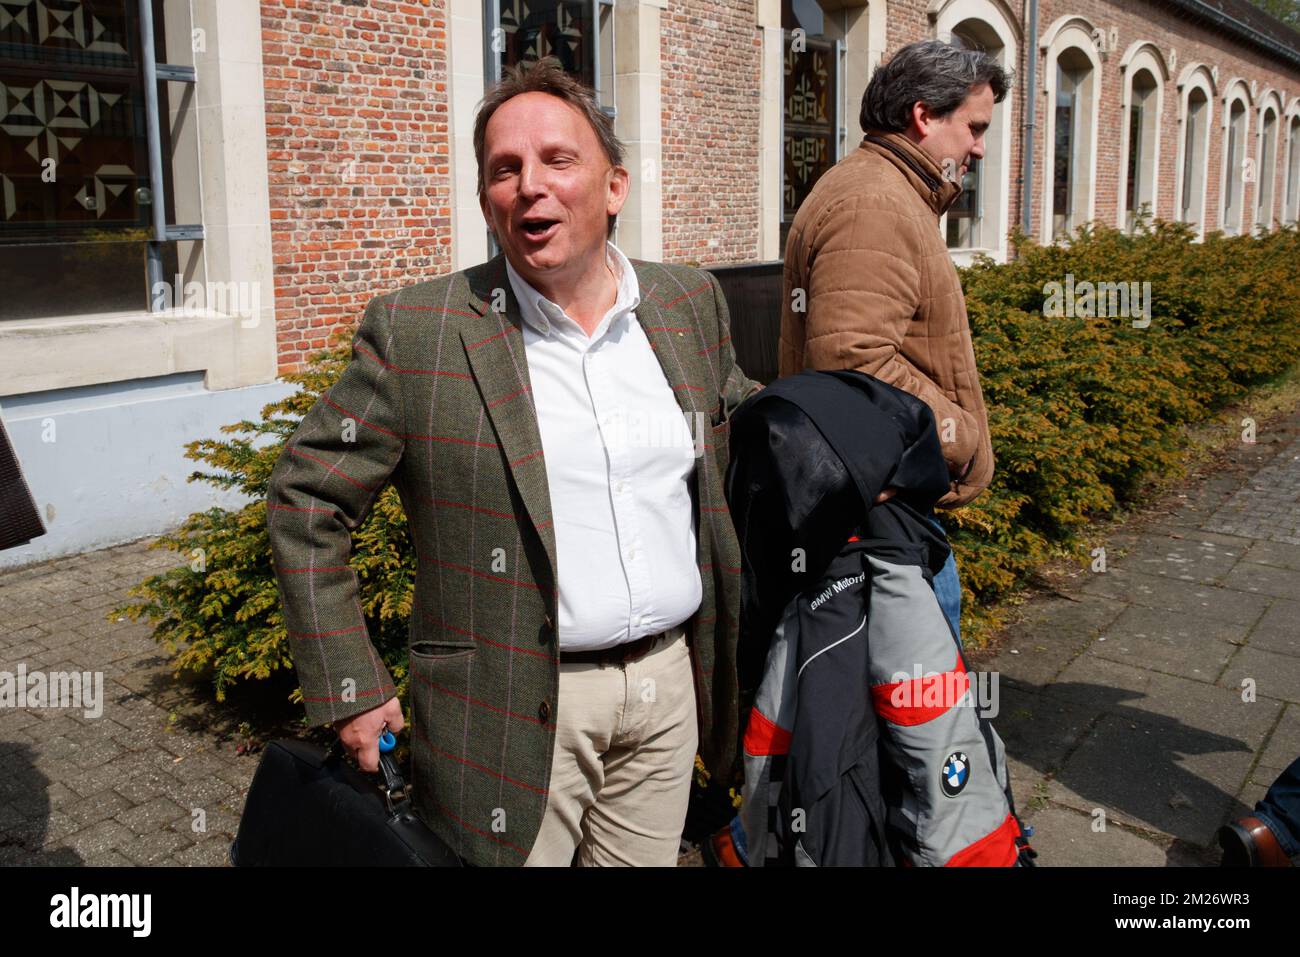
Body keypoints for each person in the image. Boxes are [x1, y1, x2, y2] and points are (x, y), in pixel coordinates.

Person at [265, 57, 759, 867]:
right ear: (488, 199)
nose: (530, 185)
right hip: (509, 710)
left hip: (670, 689)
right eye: (505, 169)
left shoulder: (685, 304)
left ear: (614, 186)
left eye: (558, 160)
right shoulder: (421, 332)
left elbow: (742, 425)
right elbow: (305, 501)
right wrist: (352, 685)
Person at [779, 38, 1011, 643]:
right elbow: (852, 359)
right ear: (923, 115)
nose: (980, 147)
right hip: (881, 517)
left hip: (880, 502)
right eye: (974, 127)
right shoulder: (875, 204)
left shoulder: (888, 192)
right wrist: (957, 435)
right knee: (917, 724)